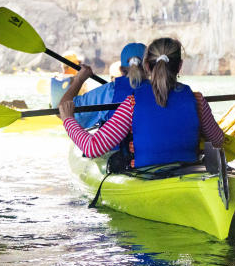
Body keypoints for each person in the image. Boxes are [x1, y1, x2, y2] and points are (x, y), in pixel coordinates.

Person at [59, 37, 224, 170]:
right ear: (180, 66)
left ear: (147, 65)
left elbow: (92, 148)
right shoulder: (197, 101)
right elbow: (218, 141)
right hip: (188, 171)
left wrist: (68, 119)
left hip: (148, 176)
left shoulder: (132, 103)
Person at [60, 41, 146, 130]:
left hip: (112, 142)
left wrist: (79, 80)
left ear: (121, 70)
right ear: (149, 67)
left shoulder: (109, 91)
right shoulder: (159, 90)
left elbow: (63, 110)